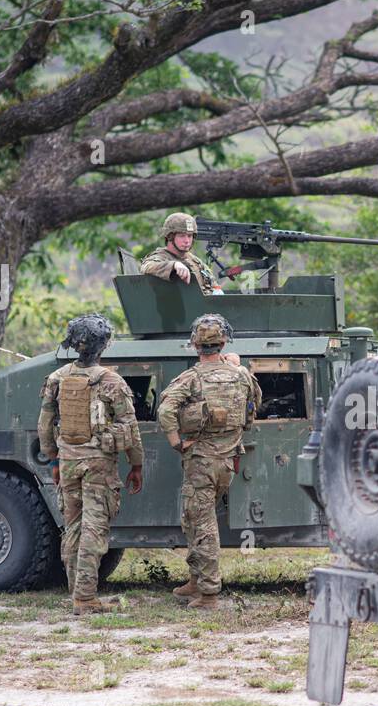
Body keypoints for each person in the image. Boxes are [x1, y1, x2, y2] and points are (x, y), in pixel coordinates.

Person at [38, 313, 144, 615]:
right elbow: (130, 428)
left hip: (69, 461)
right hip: (99, 466)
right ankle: (85, 599)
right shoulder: (112, 381)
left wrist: (55, 459)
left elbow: (45, 426)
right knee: (94, 529)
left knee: (72, 527)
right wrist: (136, 465)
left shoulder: (57, 379)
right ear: (104, 345)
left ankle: (77, 592)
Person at [157, 314, 261, 608]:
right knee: (194, 518)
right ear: (224, 342)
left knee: (201, 522)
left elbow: (165, 411)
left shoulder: (191, 378)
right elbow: (254, 404)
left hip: (201, 461)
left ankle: (209, 594)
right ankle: (196, 581)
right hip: (227, 460)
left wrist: (177, 442)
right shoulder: (240, 375)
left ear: (194, 345)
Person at [141, 212, 218, 294]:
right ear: (170, 236)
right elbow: (146, 267)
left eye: (189, 236)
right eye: (182, 236)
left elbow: (215, 287)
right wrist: (174, 265)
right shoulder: (161, 257)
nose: (187, 241)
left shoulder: (196, 262)